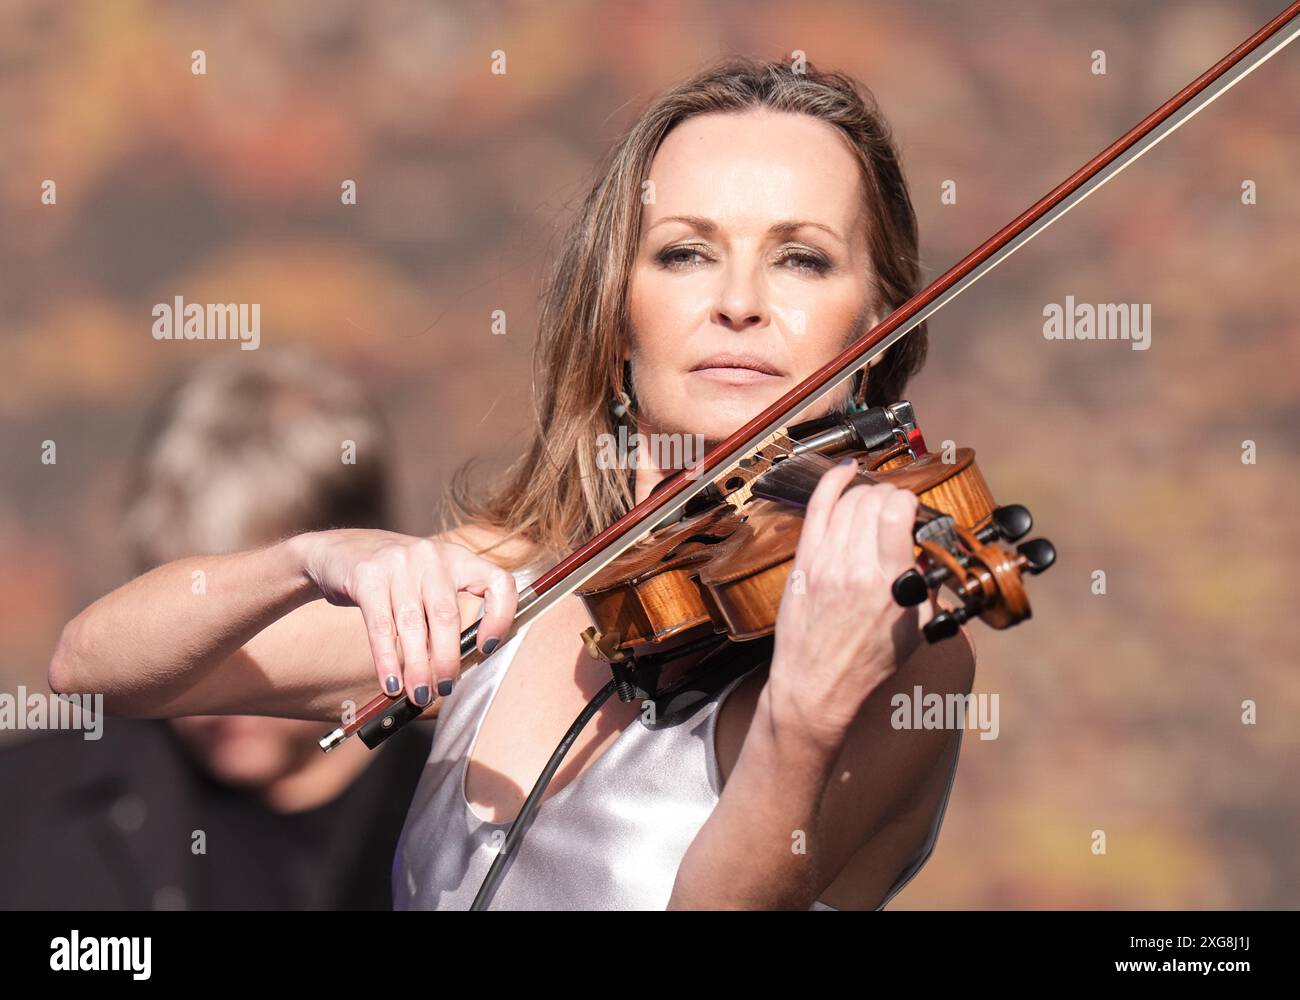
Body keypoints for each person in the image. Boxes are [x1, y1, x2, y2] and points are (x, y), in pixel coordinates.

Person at [50, 58, 976, 910]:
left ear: (877, 325)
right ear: (617, 315)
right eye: (685, 253)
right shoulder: (510, 586)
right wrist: (304, 558)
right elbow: (98, 672)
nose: (739, 302)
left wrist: (803, 723)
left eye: (802, 258)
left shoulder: (902, 649)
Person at [4, 352, 432, 910]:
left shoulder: (477, 798)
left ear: (362, 580)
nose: (214, 666)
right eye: (192, 620)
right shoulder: (31, 802)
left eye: (260, 617)